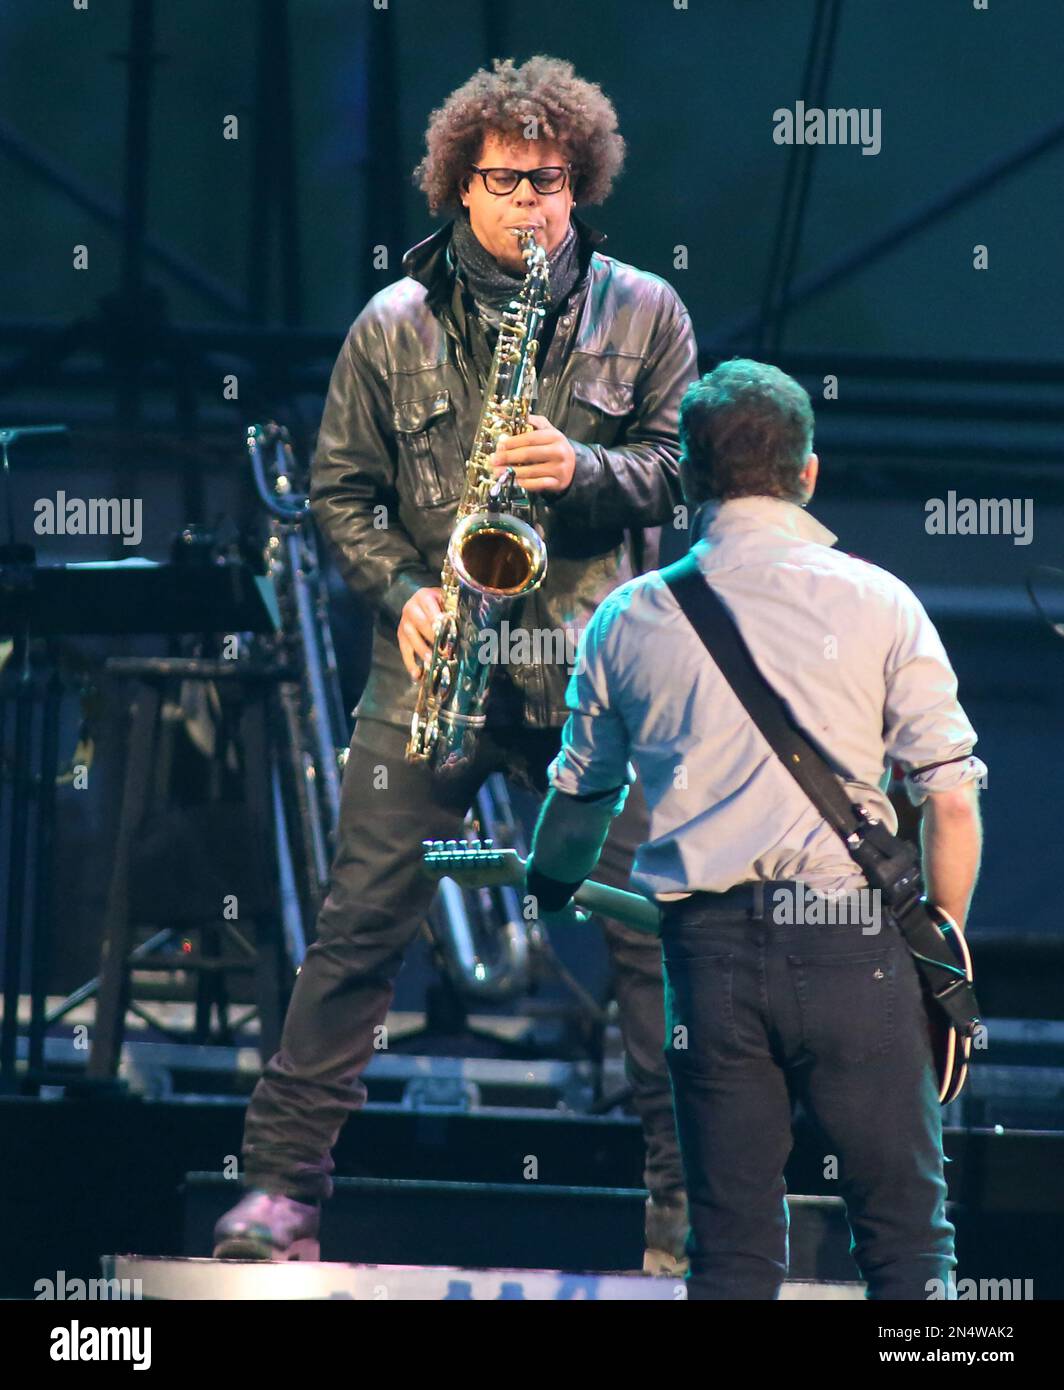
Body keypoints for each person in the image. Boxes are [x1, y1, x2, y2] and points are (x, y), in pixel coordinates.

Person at [213, 55, 697, 1273]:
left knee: (653, 938)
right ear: (456, 188)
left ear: (580, 182)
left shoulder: (643, 312)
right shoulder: (392, 324)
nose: (528, 203)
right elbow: (341, 493)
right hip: (439, 658)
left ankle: (691, 1208)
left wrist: (581, 472)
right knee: (358, 924)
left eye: (548, 180)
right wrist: (404, 591)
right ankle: (279, 1190)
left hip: (598, 665)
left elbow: (683, 474)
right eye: (502, 180)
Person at [524, 358, 986, 1299]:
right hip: (859, 946)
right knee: (907, 1244)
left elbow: (580, 804)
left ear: (688, 483)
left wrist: (546, 883)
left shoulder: (627, 619)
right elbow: (949, 795)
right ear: (808, 471)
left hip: (711, 962)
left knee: (731, 1252)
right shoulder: (881, 600)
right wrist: (940, 933)